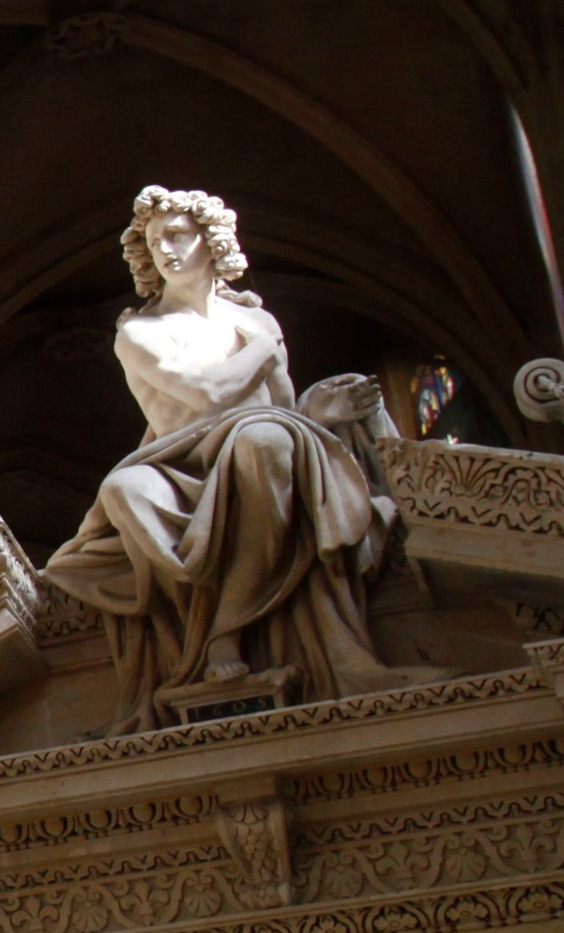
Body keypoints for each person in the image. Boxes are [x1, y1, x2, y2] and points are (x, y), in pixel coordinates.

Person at [41, 187, 400, 731]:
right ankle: (212, 612)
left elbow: (281, 411)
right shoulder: (140, 332)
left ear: (211, 243)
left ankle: (224, 631)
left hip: (257, 450)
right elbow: (210, 395)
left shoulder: (252, 323)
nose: (165, 250)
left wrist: (320, 412)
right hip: (180, 463)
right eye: (154, 242)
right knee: (124, 491)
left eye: (177, 236)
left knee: (265, 440)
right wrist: (263, 344)